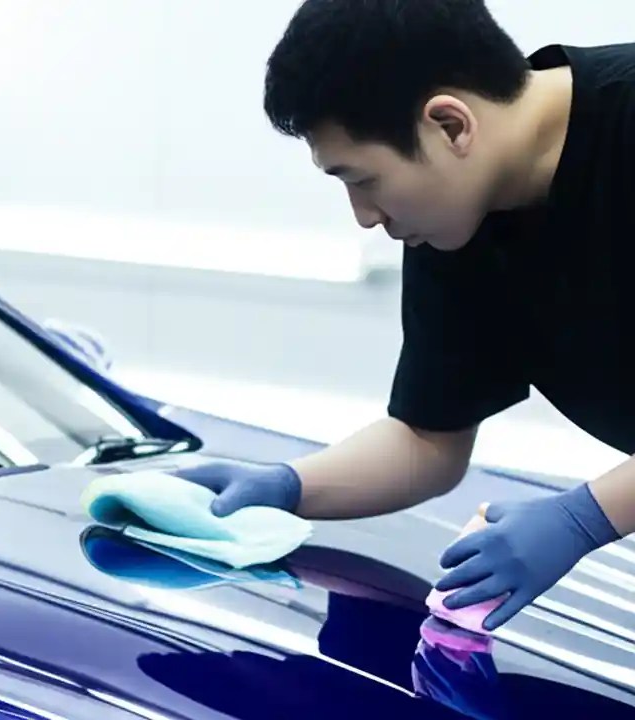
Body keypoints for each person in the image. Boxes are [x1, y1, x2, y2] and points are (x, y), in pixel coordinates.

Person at [181, 0, 635, 632]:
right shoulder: (460, 214)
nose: (364, 216)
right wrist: (287, 487)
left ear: (450, 126)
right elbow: (428, 440)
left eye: (363, 180)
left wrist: (586, 515)